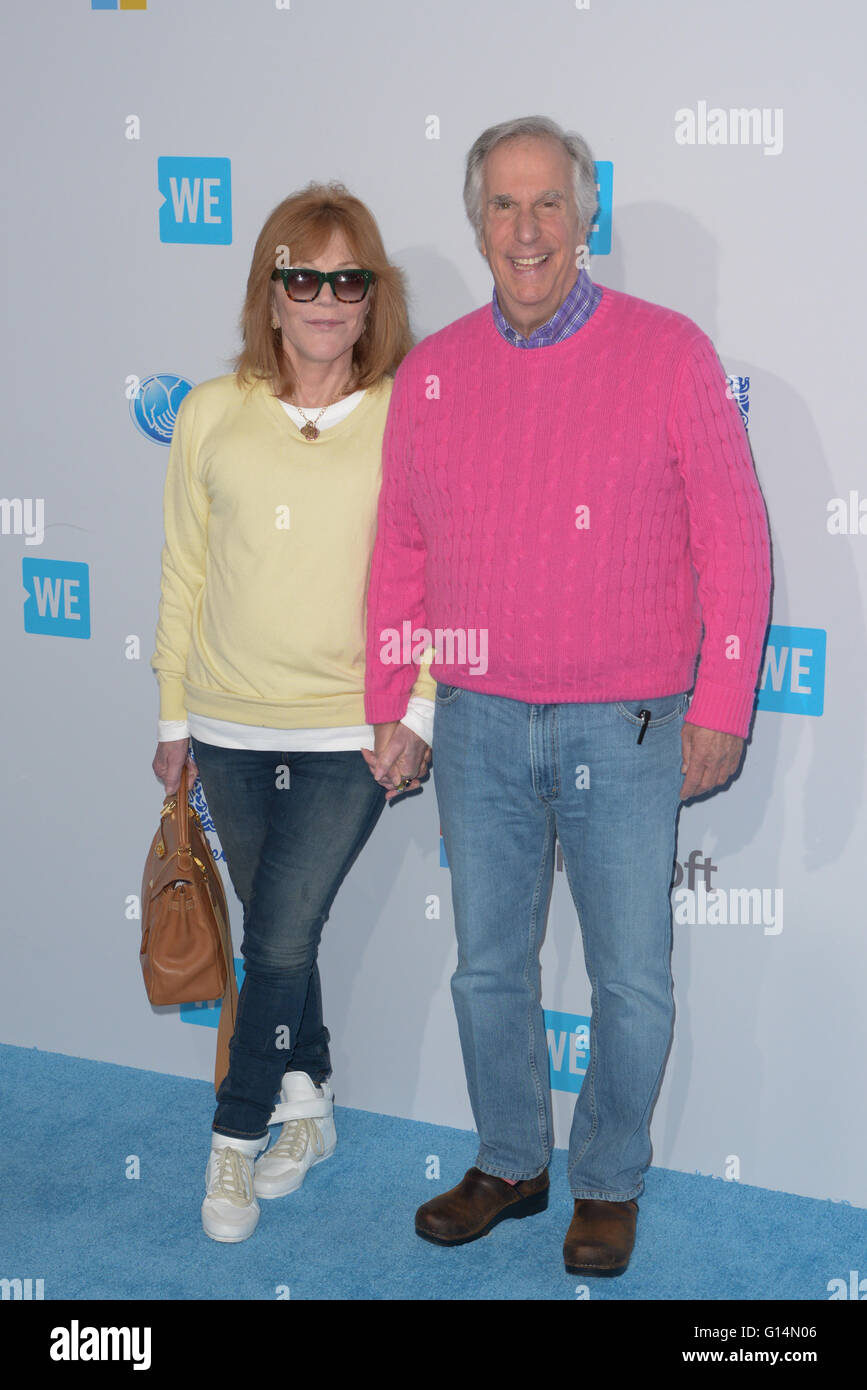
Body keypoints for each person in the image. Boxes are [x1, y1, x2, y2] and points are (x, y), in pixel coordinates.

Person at [363, 116, 771, 1278]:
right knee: (487, 964)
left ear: (587, 217)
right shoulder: (434, 373)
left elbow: (735, 547)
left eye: (549, 204)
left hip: (630, 720)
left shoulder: (672, 352)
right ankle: (510, 1159)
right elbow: (399, 548)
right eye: (503, 205)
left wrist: (725, 704)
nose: (527, 228)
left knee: (630, 977)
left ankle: (607, 1179)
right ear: (477, 223)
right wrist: (394, 692)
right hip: (480, 717)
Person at [151, 183, 433, 1243]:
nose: (324, 296)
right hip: (226, 724)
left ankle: (233, 1136)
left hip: (350, 732)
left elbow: (436, 577)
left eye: (346, 279)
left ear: (372, 302)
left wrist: (421, 710)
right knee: (287, 929)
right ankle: (309, 1101)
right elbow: (182, 571)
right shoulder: (211, 412)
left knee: (276, 936)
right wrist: (175, 718)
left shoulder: (410, 415)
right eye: (301, 276)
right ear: (271, 295)